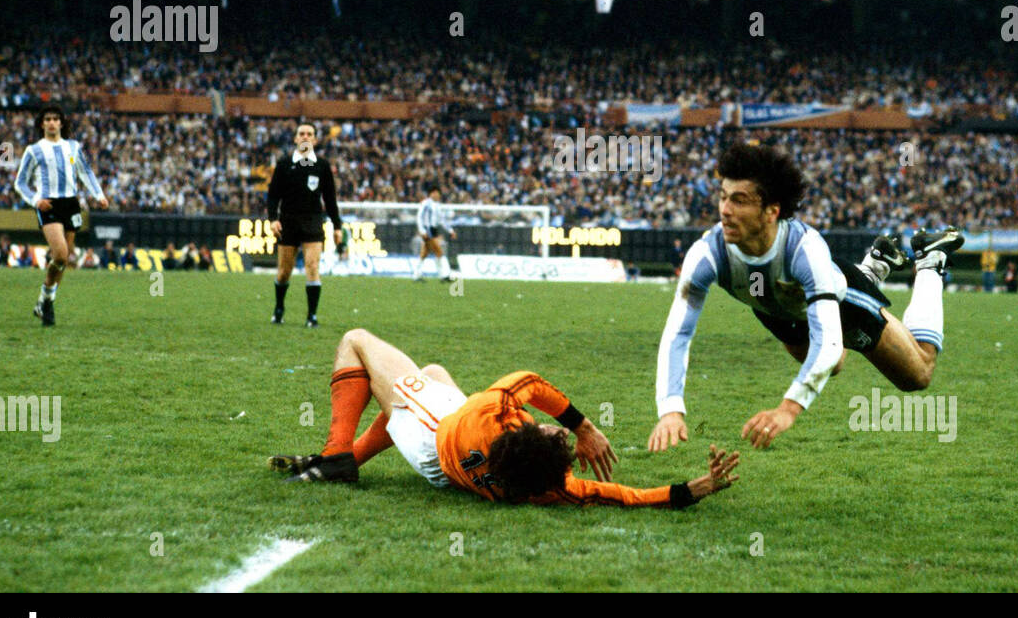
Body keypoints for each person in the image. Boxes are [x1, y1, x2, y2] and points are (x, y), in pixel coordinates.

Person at [648, 142, 963, 453]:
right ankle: (875, 265)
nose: (725, 211)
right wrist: (670, 409)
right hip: (778, 310)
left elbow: (829, 341)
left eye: (739, 201)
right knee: (833, 366)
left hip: (841, 302)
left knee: (917, 375)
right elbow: (678, 332)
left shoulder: (804, 250)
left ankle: (930, 262)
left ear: (771, 211)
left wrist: (788, 408)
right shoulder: (707, 254)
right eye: (723, 197)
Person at [269, 327, 739, 509]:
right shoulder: (550, 487)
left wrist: (583, 426)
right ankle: (350, 458)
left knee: (357, 343)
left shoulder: (494, 414)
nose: (563, 439)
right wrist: (692, 489)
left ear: (525, 429)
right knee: (431, 371)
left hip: (435, 432)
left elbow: (529, 381)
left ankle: (335, 458)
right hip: (453, 455)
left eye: (556, 435)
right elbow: (625, 496)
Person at [13, 104, 109, 326]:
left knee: (65, 260)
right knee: (60, 255)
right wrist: (36, 200)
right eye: (48, 119)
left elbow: (85, 172)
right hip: (49, 205)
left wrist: (99, 195)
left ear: (62, 123)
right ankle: (46, 298)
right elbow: (20, 182)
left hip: (71, 204)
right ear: (42, 124)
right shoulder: (33, 150)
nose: (52, 122)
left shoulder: (73, 147)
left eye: (56, 119)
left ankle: (45, 301)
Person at [267, 121, 343, 327]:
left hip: (312, 221)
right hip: (288, 221)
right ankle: (279, 308)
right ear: (295, 138)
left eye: (310, 134)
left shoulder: (322, 166)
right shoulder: (284, 164)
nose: (305, 137)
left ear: (315, 140)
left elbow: (330, 198)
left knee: (312, 266)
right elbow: (273, 196)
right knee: (284, 271)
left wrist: (337, 226)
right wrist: (273, 219)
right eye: (301, 133)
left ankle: (312, 316)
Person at [412, 183, 456, 281]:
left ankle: (416, 275)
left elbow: (442, 220)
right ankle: (445, 275)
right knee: (439, 251)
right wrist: (422, 230)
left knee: (424, 253)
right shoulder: (426, 204)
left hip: (433, 230)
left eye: (438, 193)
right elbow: (419, 217)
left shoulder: (437, 206)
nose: (438, 195)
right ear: (431, 193)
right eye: (436, 193)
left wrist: (450, 230)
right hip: (427, 230)